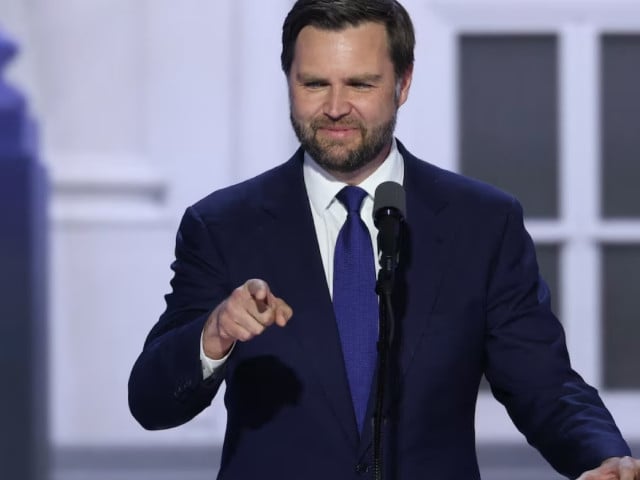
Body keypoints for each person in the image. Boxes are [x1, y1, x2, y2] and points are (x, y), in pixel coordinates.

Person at [128, 1, 639, 478]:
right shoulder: (222, 225)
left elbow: (544, 383)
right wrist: (212, 335)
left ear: (404, 83)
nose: (334, 107)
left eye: (360, 84)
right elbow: (151, 401)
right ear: (288, 80)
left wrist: (605, 458)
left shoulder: (481, 223)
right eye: (313, 84)